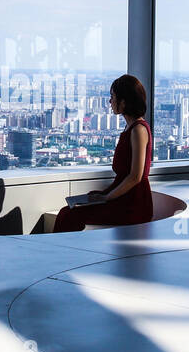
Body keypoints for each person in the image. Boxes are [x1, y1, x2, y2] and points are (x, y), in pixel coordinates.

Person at [53, 74, 153, 233]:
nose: (110, 102)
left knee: (68, 215)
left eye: (113, 97)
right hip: (124, 197)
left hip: (133, 204)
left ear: (124, 102)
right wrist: (103, 195)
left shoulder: (138, 130)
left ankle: (61, 257)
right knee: (70, 211)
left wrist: (106, 198)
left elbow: (135, 176)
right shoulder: (130, 128)